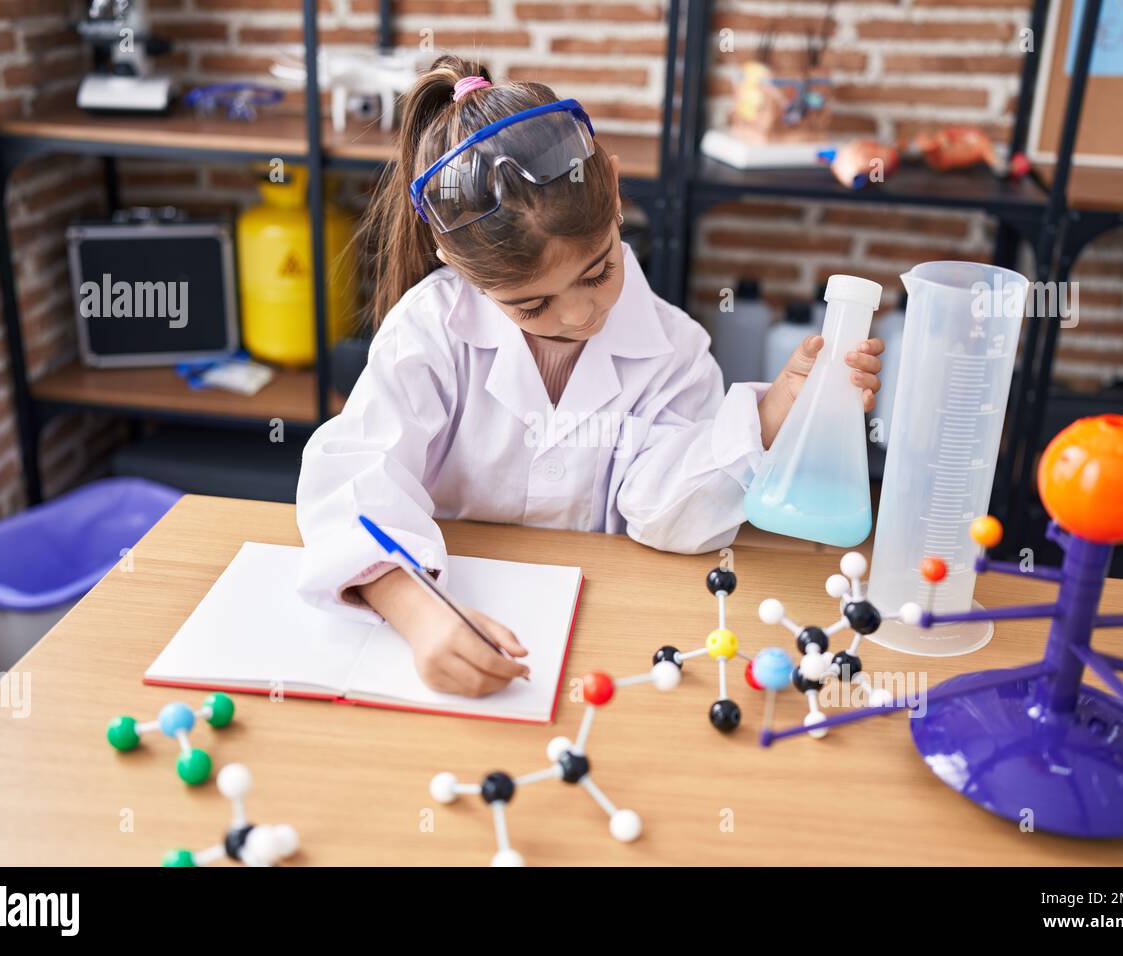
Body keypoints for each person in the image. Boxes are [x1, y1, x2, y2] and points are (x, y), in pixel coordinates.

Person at [297, 56, 884, 697]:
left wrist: (773, 414)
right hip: (439, 619)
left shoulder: (677, 352)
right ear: (457, 264)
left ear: (611, 184)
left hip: (602, 638)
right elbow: (355, 484)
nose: (580, 316)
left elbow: (666, 516)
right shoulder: (429, 331)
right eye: (531, 306)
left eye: (597, 272)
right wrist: (416, 610)